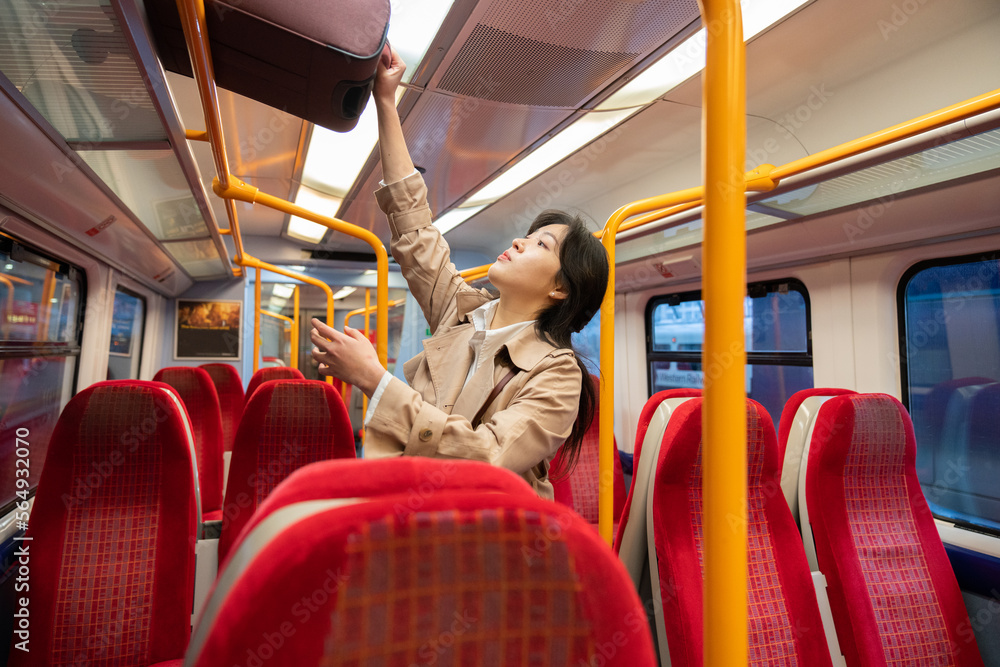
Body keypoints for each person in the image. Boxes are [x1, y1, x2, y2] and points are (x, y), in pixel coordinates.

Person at [310, 47, 609, 499]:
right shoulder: (461, 314)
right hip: (408, 508)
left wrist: (376, 380)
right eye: (527, 235)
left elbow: (487, 456)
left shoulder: (559, 374)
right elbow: (413, 226)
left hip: (483, 543)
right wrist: (386, 104)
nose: (518, 242)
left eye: (541, 244)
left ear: (561, 289)